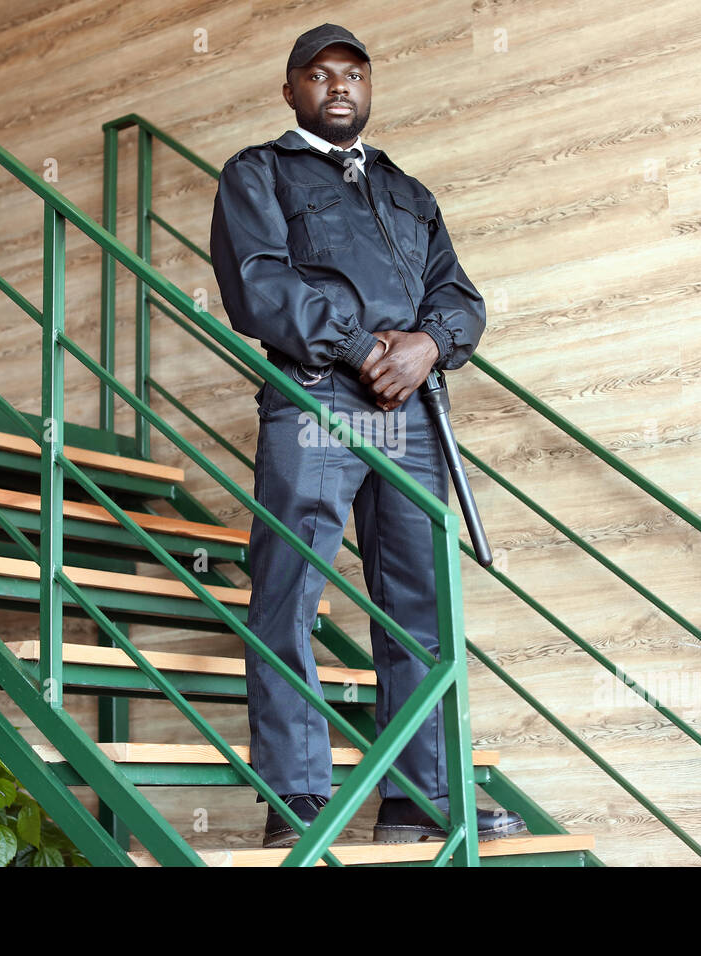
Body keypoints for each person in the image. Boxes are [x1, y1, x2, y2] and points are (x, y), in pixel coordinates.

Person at [210, 23, 525, 848]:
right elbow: (256, 286)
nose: (339, 85)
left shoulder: (409, 192)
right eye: (319, 74)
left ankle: (419, 799)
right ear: (291, 91)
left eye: (355, 73)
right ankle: (297, 797)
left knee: (419, 607)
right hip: (318, 402)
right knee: (291, 589)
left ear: (371, 88)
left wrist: (427, 346)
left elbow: (459, 297)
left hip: (413, 415)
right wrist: (360, 348)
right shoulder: (258, 173)